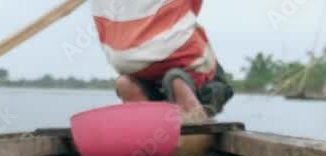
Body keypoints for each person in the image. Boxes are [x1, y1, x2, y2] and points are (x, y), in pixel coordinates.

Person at [91, 0, 233, 122]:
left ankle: (189, 121)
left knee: (171, 79)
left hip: (191, 89)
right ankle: (179, 125)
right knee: (170, 79)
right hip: (172, 83)